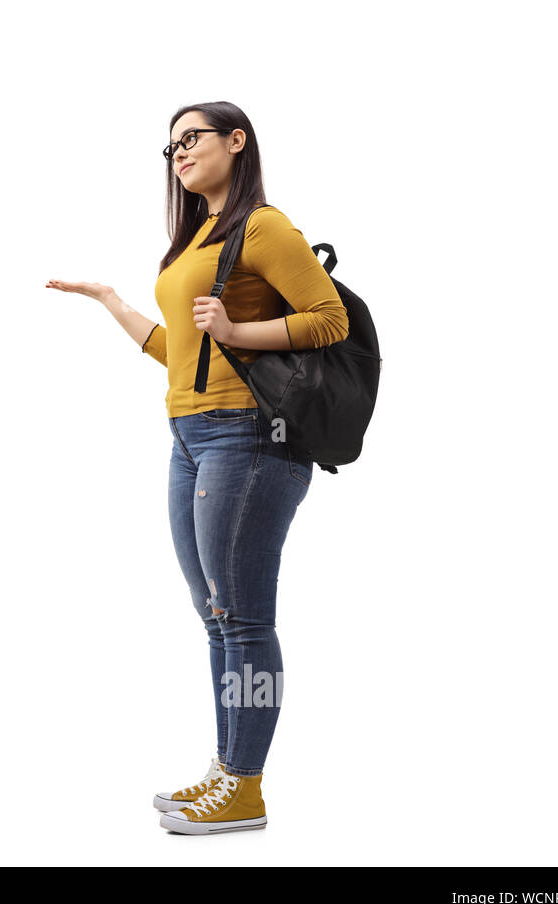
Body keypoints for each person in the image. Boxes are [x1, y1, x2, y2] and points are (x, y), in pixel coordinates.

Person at [47, 100, 347, 835]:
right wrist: (115, 304)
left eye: (193, 139)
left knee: (242, 619)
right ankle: (225, 769)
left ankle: (245, 788)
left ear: (236, 142)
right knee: (216, 617)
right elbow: (185, 353)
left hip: (248, 439)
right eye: (170, 146)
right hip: (188, 434)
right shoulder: (196, 240)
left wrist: (240, 326)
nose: (178, 153)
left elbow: (327, 317)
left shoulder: (264, 226)